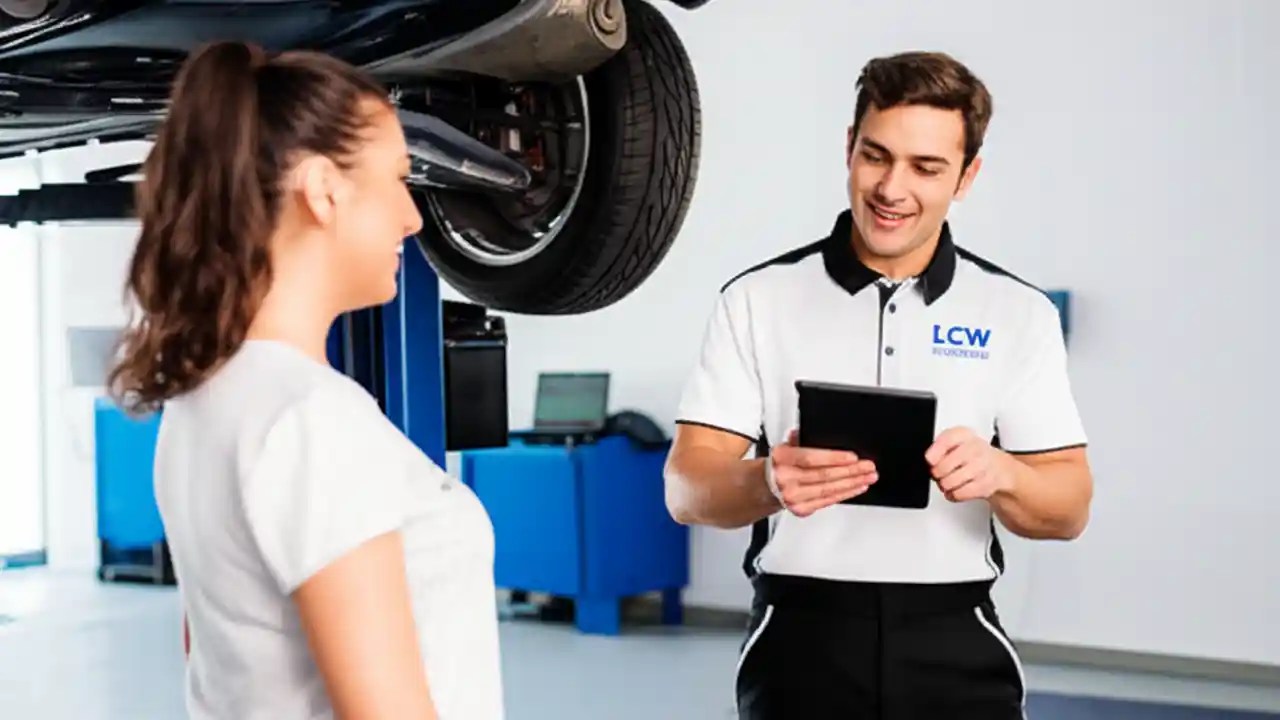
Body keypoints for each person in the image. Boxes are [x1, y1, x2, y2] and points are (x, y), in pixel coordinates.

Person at [664, 50, 1093, 720]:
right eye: (876, 155)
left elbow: (1069, 506)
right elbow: (686, 488)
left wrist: (1002, 471)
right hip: (799, 638)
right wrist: (768, 480)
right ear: (848, 148)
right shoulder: (756, 299)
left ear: (967, 176)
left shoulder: (1018, 313)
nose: (893, 188)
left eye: (926, 167)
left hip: (954, 636)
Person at [107, 40, 503, 720]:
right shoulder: (312, 419)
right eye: (399, 179)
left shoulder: (205, 399)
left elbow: (215, 654)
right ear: (323, 190)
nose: (412, 217)